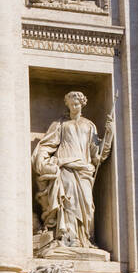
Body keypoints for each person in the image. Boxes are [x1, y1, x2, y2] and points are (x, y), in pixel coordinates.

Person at [32, 90, 112, 249]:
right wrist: (42, 161)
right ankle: (69, 238)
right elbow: (47, 145)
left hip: (84, 169)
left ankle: (84, 239)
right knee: (69, 202)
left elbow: (98, 155)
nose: (74, 107)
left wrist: (109, 133)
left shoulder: (89, 125)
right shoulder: (60, 124)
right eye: (71, 104)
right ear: (67, 105)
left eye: (77, 104)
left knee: (87, 205)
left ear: (82, 104)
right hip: (65, 167)